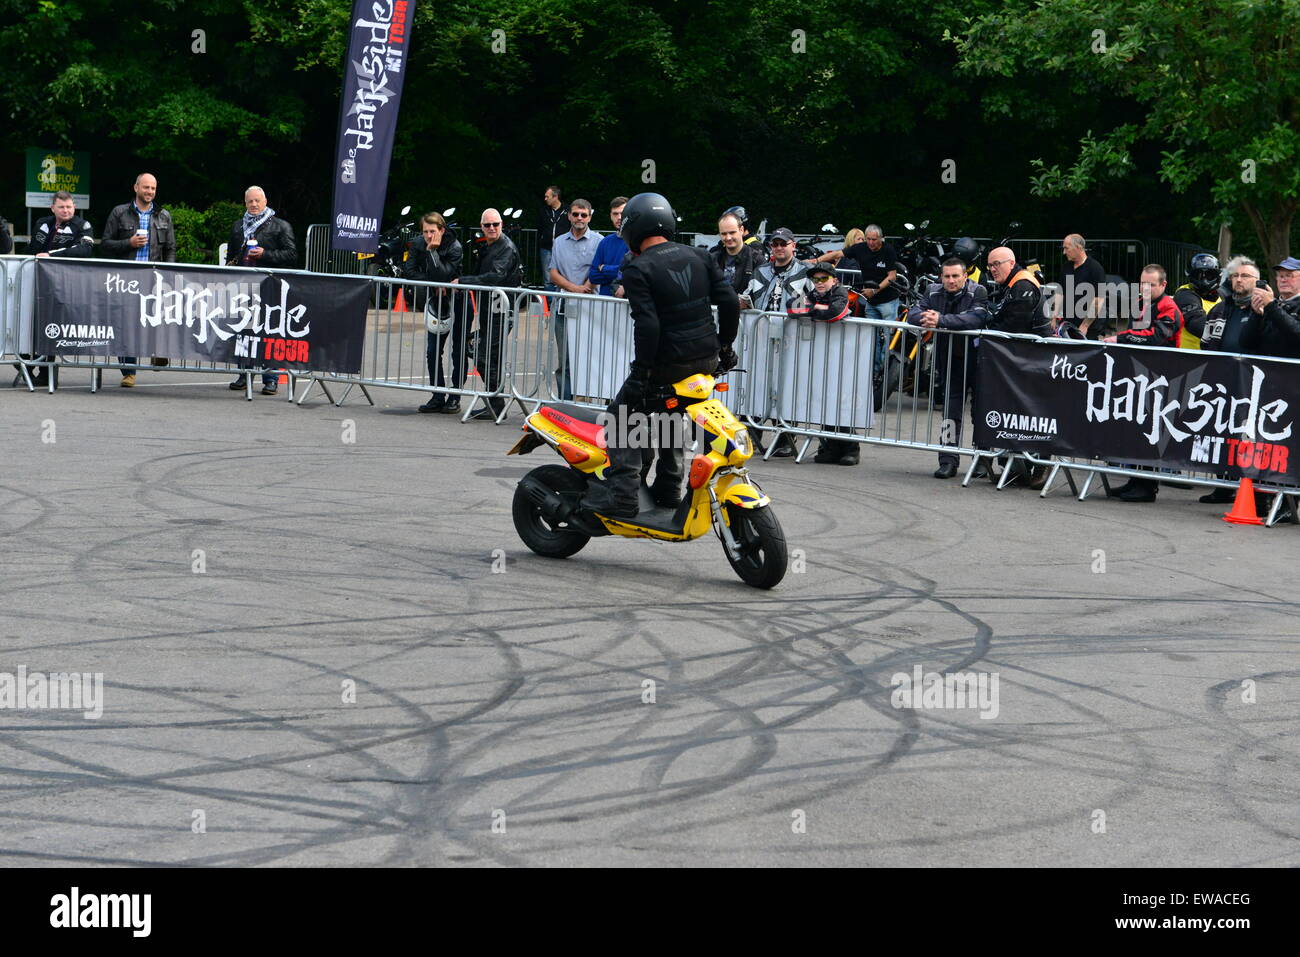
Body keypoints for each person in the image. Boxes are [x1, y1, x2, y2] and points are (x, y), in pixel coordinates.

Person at [574, 192, 740, 527]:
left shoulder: (638, 268)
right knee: (670, 414)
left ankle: (622, 493)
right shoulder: (701, 256)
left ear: (633, 230)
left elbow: (648, 325)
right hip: (706, 361)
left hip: (667, 364)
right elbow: (731, 304)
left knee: (620, 415)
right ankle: (667, 489)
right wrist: (724, 347)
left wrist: (641, 372)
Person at [1100, 265, 1185, 502]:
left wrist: (1121, 338)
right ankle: (1135, 480)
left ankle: (1147, 487)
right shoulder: (1140, 302)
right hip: (1140, 374)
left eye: (1151, 285)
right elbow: (1135, 331)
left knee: (1152, 430)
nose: (1145, 289)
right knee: (1137, 428)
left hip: (1163, 375)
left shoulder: (1170, 307)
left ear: (1163, 285)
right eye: (1142, 284)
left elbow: (1156, 337)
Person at [908, 256, 991, 479]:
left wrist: (942, 320)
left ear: (965, 276)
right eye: (947, 276)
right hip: (949, 359)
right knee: (949, 411)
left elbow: (975, 319)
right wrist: (928, 318)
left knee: (980, 411)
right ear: (941, 277)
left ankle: (983, 460)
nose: (951, 280)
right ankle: (947, 460)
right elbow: (913, 314)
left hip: (979, 358)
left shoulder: (979, 291)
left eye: (956, 276)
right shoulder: (932, 291)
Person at [1195, 257, 1268, 505]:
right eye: (1235, 276)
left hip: (1256, 384)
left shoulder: (1267, 310)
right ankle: (1223, 486)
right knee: (1222, 433)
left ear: (1257, 280)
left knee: (1250, 437)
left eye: (1245, 276)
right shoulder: (1220, 308)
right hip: (1222, 381)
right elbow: (1206, 342)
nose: (1238, 280)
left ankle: (1252, 488)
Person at [741, 227, 813, 457]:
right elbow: (748, 295)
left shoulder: (806, 272)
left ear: (793, 245)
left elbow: (817, 299)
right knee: (757, 383)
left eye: (784, 243)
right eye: (775, 244)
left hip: (793, 339)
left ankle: (786, 436)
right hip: (761, 338)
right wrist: (739, 302)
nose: (779, 248)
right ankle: (753, 431)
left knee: (788, 385)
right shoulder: (761, 271)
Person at [101, 173, 177, 387]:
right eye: (146, 187)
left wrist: (168, 271)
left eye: (153, 188)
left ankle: (158, 352)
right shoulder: (119, 212)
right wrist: (129, 243)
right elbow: (106, 244)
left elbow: (170, 247)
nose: (150, 192)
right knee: (126, 324)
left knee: (157, 318)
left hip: (154, 276)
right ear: (136, 188)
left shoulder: (164, 215)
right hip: (126, 277)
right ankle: (129, 371)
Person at [453, 208, 523, 420]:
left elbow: (494, 276)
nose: (492, 228)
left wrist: (463, 281)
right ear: (481, 227)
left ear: (501, 224)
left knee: (485, 357)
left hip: (501, 313)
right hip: (488, 311)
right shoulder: (487, 246)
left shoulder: (506, 248)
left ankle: (497, 404)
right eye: (487, 225)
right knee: (487, 356)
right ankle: (495, 403)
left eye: (495, 224)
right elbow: (481, 274)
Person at [226, 186, 297, 395]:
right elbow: (230, 256)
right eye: (250, 201)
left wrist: (265, 254)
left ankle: (271, 379)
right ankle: (244, 374)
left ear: (265, 201)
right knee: (244, 331)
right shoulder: (238, 227)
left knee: (268, 333)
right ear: (245, 203)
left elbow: (292, 255)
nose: (254, 205)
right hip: (244, 286)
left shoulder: (281, 226)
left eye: (258, 200)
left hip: (271, 287)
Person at [21, 191, 94, 388]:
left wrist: (51, 255)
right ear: (52, 208)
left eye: (69, 206)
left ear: (74, 207)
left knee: (50, 325)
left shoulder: (82, 225)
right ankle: (25, 366)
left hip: (62, 285)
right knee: (28, 322)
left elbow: (85, 250)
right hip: (34, 280)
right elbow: (30, 250)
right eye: (61, 207)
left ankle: (46, 372)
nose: (66, 210)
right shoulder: (42, 223)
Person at [788, 262, 858, 465]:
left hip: (844, 353)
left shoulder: (840, 292)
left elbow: (835, 313)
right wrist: (815, 307)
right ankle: (829, 446)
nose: (818, 283)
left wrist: (811, 309)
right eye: (815, 279)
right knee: (823, 397)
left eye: (823, 279)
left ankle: (851, 448)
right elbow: (791, 307)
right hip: (821, 354)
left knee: (841, 399)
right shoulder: (813, 294)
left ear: (834, 279)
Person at [401, 211, 464, 413]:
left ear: (442, 230)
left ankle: (455, 396)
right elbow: (408, 271)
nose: (428, 236)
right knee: (432, 350)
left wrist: (432, 253)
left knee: (457, 352)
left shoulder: (455, 246)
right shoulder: (419, 243)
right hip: (435, 302)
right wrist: (431, 280)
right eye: (425, 231)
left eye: (432, 231)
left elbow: (444, 274)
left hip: (458, 302)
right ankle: (437, 395)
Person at [548, 198, 602, 400]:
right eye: (576, 214)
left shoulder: (599, 241)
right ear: (569, 215)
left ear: (590, 216)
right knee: (566, 358)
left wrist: (586, 288)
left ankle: (588, 401)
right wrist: (575, 289)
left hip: (592, 307)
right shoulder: (559, 241)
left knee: (590, 357)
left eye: (584, 214)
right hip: (564, 307)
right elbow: (553, 273)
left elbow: (599, 270)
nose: (580, 218)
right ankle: (565, 400)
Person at [1059, 233, 1107, 338]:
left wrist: (1085, 325)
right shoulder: (1066, 267)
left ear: (1079, 247)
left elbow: (1098, 301)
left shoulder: (1095, 269)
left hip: (1089, 326)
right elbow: (1060, 293)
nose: (1064, 252)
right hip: (1069, 323)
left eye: (1067, 248)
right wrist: (1054, 316)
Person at [709, 211, 765, 296]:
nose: (728, 238)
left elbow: (762, 295)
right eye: (723, 234)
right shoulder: (712, 259)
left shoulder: (757, 260)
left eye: (732, 232)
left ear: (741, 230)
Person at [1173, 252, 1220, 350]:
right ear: (1190, 275)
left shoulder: (1222, 295)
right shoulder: (1184, 295)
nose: (1204, 279)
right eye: (1198, 275)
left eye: (1209, 275)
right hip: (1189, 359)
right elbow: (1197, 325)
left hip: (1214, 357)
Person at [1258, 256, 1300, 359]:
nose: (1283, 280)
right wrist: (1255, 314)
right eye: (1280, 276)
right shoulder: (1270, 304)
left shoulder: (1271, 305)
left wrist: (1271, 306)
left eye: (1289, 276)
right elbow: (1246, 343)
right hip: (1265, 371)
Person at [587, 197, 628, 296]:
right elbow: (593, 276)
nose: (619, 217)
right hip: (605, 303)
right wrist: (621, 274)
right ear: (610, 216)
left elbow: (636, 273)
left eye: (622, 213)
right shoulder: (605, 242)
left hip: (629, 304)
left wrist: (605, 269)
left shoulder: (638, 241)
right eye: (615, 214)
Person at [537, 186, 569, 290]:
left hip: (563, 249)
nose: (545, 199)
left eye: (547, 196)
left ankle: (561, 304)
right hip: (546, 248)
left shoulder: (567, 210)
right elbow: (540, 227)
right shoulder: (543, 210)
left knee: (564, 276)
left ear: (555, 197)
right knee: (547, 278)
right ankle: (550, 305)